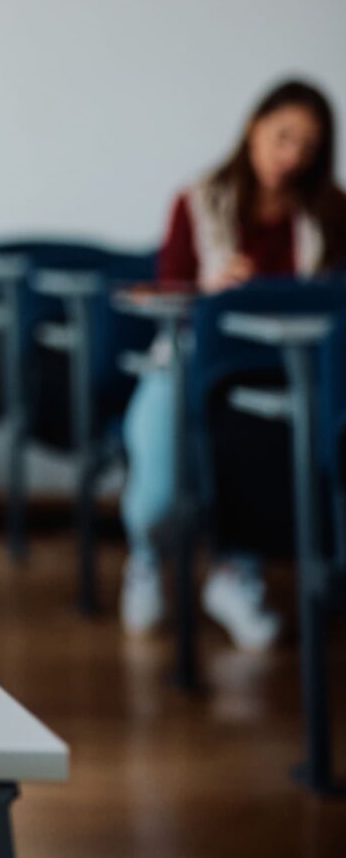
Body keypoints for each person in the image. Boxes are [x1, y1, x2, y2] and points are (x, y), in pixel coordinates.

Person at [119, 79, 346, 646]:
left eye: (308, 148)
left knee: (267, 453)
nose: (291, 156)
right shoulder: (197, 201)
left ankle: (235, 568)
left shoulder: (329, 211)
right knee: (159, 493)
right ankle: (146, 557)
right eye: (283, 138)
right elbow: (163, 295)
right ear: (253, 128)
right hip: (190, 358)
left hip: (287, 373)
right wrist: (209, 291)